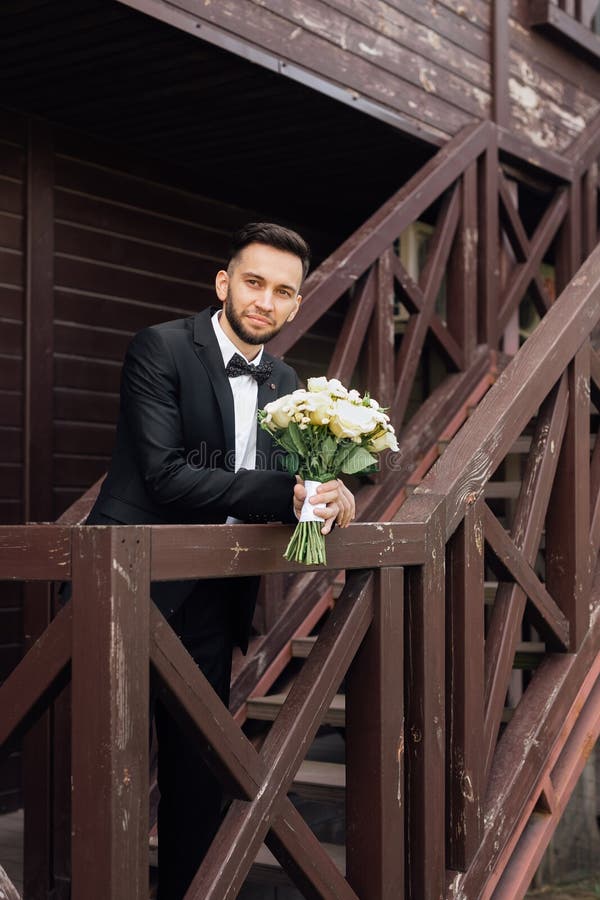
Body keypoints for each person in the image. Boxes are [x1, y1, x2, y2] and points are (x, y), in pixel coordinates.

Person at [85, 222, 355, 899]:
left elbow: (289, 482)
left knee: (196, 777)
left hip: (214, 600)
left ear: (296, 306)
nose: (265, 300)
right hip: (126, 584)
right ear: (224, 283)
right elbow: (166, 477)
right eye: (254, 282)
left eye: (282, 292)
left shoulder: (288, 380)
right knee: (100, 770)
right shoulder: (161, 347)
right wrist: (281, 489)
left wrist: (331, 485)